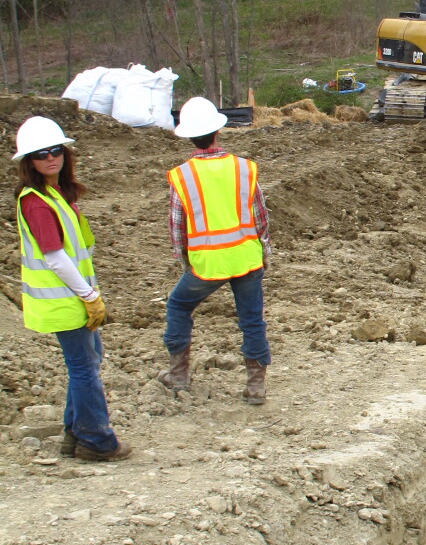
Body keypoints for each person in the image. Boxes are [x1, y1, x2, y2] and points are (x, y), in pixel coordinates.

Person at [13, 117, 131, 461]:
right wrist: (90, 296)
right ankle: (96, 440)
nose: (51, 158)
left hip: (71, 297)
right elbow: (55, 258)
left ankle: (75, 433)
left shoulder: (54, 195)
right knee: (84, 368)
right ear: (29, 161)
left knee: (89, 360)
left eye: (55, 151)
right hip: (65, 300)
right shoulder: (36, 202)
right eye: (41, 154)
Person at [158, 97, 272, 405]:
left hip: (207, 263)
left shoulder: (183, 176)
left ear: (188, 137)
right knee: (252, 320)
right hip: (246, 257)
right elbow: (260, 216)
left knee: (178, 306)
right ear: (218, 131)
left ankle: (178, 375)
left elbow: (177, 227)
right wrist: (264, 251)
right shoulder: (243, 169)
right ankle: (256, 386)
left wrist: (185, 261)